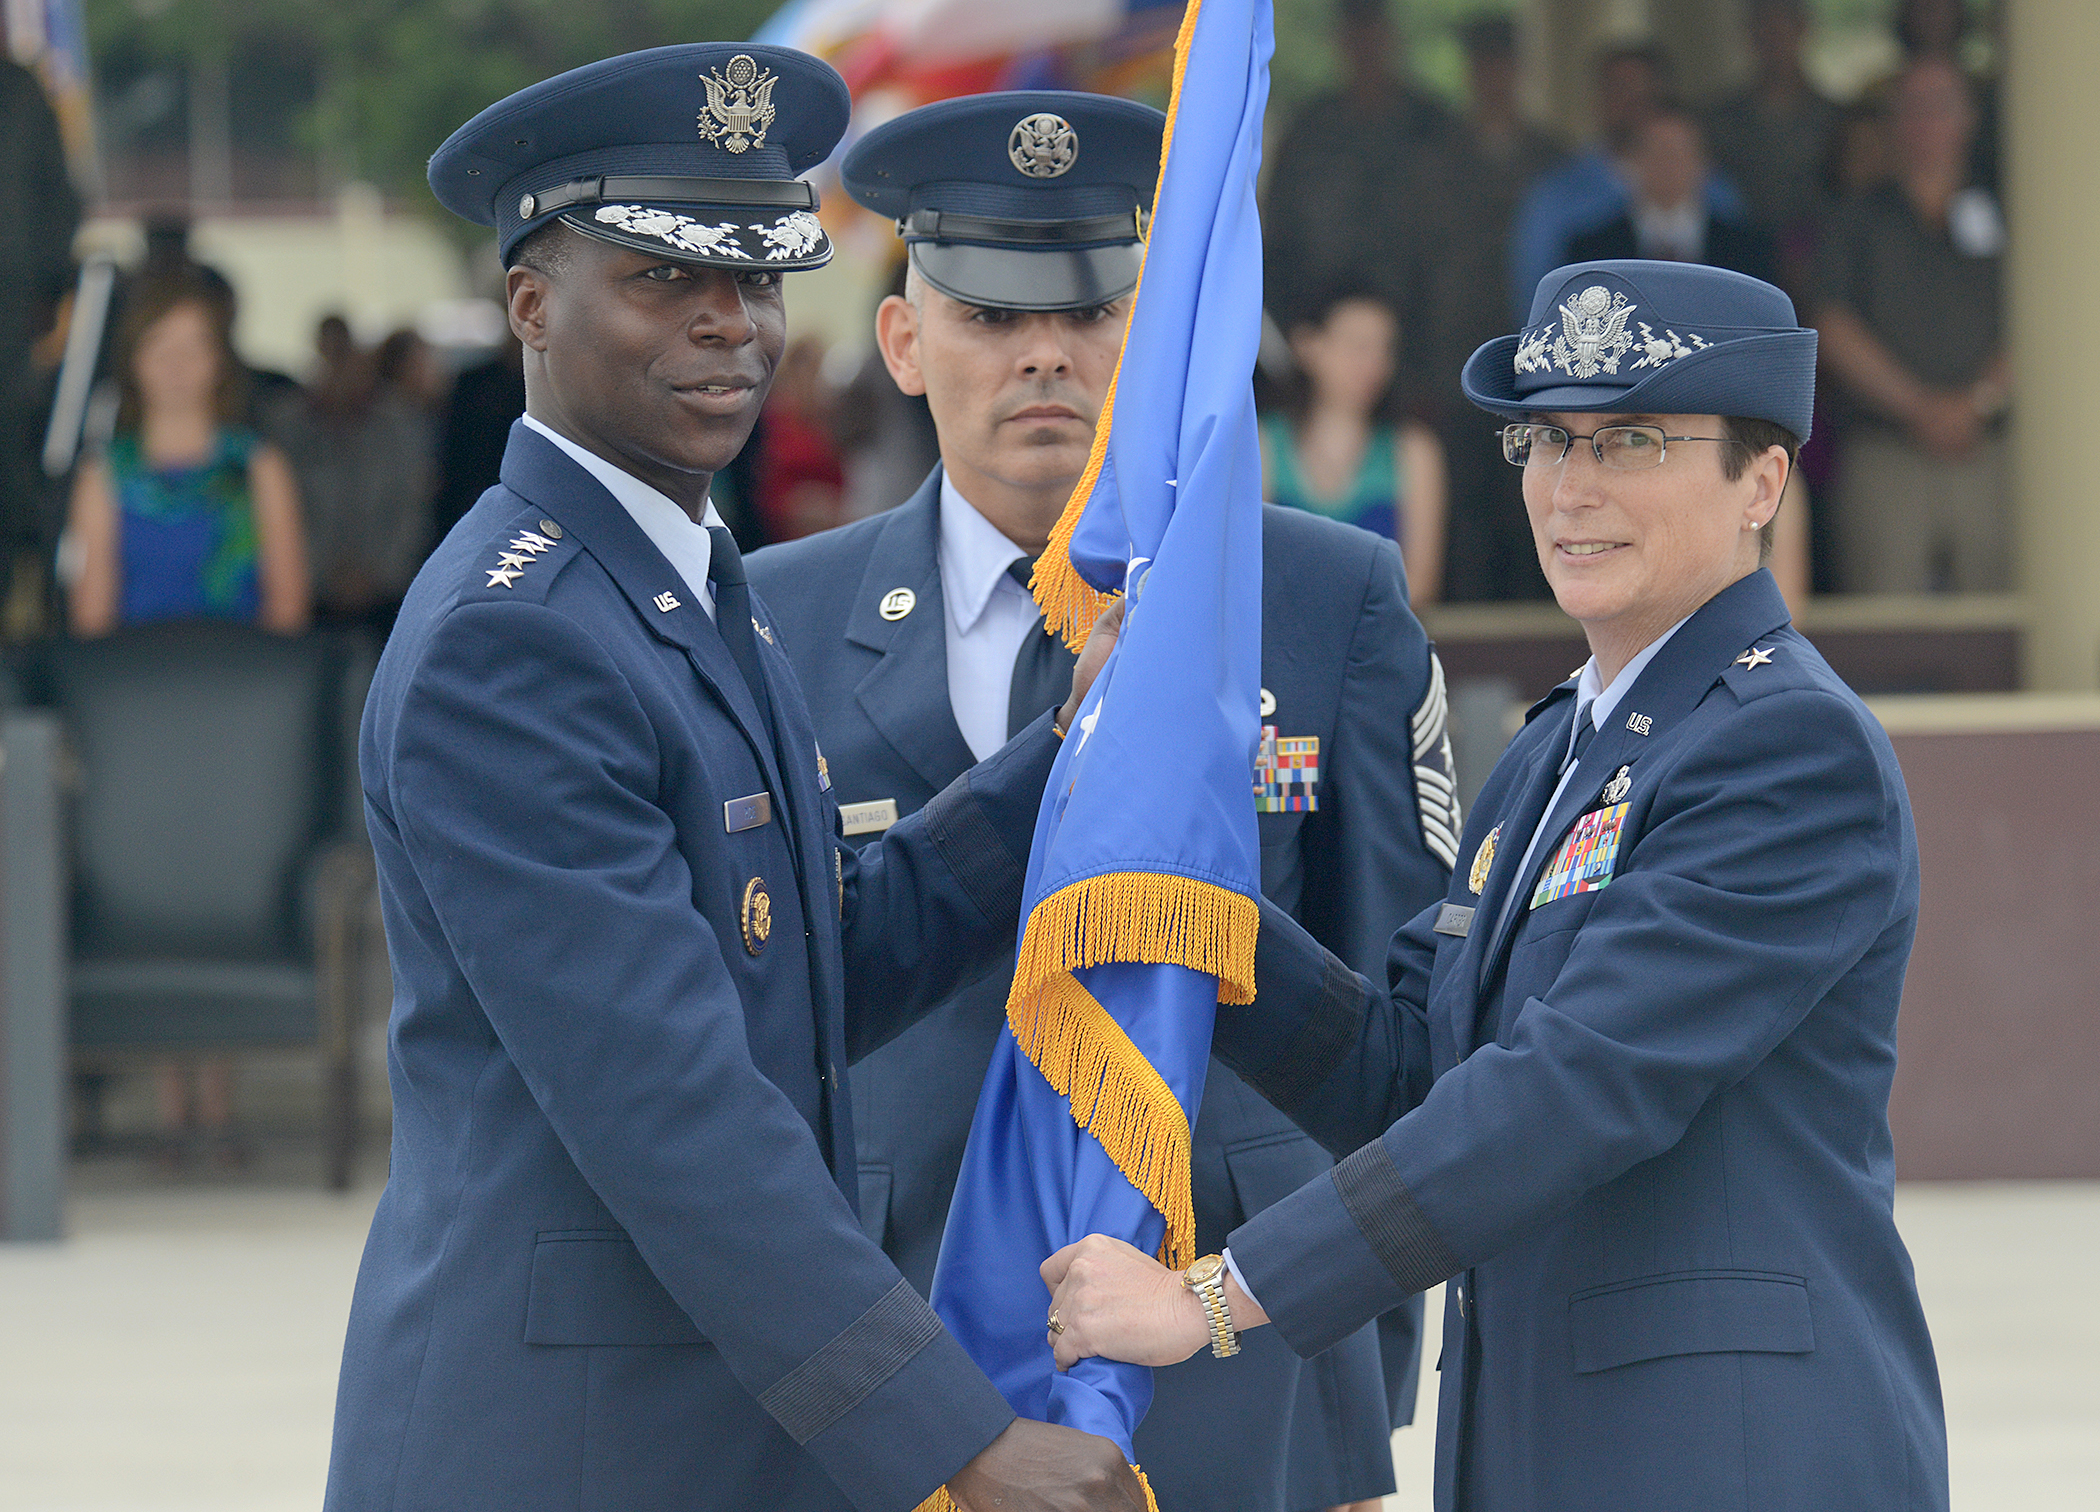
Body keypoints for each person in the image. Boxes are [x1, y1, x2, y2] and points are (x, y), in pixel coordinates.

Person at [330, 45, 1142, 1512]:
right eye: (662, 280)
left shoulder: (688, 577)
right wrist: (959, 1437)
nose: (731, 326)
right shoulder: (514, 640)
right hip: (567, 1446)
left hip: (708, 1428)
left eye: (758, 280)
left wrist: (1074, 754)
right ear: (530, 302)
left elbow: (818, 964)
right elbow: (674, 1108)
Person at [1042, 260, 1949, 1512]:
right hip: (1549, 1447)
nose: (1572, 488)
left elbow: (1571, 1091)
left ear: (1763, 482)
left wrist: (1216, 1297)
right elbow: (1416, 1063)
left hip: (1733, 1456)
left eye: (1633, 439)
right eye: (1546, 439)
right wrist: (1182, 902)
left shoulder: (1786, 746)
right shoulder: (1558, 749)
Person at [749, 91, 1459, 1512]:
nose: (1046, 360)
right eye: (990, 319)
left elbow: (1403, 1050)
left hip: (1236, 1362)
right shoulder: (774, 622)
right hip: (898, 1343)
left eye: (1091, 316)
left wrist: (1358, 1405)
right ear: (903, 342)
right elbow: (757, 1032)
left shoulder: (1322, 599)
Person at [1814, 58, 2006, 593]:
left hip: (1987, 450)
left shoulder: (2010, 210)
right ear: (1892, 121)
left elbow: (2039, 320)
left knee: (1996, 631)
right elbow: (1832, 325)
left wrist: (1977, 402)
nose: (1926, 121)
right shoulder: (1853, 217)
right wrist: (1922, 409)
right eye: (1912, 107)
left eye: (1941, 105)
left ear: (1969, 116)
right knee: (1888, 633)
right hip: (1885, 455)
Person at [64, 273, 309, 636]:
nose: (176, 363)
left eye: (194, 345)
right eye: (158, 344)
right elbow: (92, 619)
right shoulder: (103, 474)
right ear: (133, 359)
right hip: (131, 680)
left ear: (219, 360)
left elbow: (289, 612)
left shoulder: (260, 467)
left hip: (243, 678)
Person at [1414, 16, 1561, 604]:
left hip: (1540, 368)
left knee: (1542, 505)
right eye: (1483, 63)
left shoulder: (1551, 157)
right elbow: (1412, 271)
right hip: (1453, 366)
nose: (1493, 75)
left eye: (1503, 62)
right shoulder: (1433, 160)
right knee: (1465, 523)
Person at [1507, 44, 1745, 321]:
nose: (1631, 102)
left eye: (1642, 91)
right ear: (1597, 98)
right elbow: (1536, 302)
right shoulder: (1554, 197)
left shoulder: (1716, 192)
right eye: (1617, 89)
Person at [1262, 0, 1453, 330]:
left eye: (1373, 35)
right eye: (1356, 36)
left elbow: (1458, 233)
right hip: (1322, 320)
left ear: (1390, 40)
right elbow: (1279, 233)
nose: (1366, 48)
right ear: (1341, 44)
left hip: (1418, 322)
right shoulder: (1308, 130)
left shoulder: (1433, 126)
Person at [1261, 285, 1446, 605]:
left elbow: (1421, 584)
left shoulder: (1414, 450)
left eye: (1383, 349)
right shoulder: (1262, 444)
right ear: (1308, 345)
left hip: (1375, 645)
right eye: (1357, 346)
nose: (1373, 364)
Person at [276, 317, 434, 632]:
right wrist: (321, 576)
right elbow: (282, 515)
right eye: (330, 355)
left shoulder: (401, 426)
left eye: (345, 354)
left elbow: (410, 508)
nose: (338, 367)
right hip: (310, 596)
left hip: (388, 595)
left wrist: (378, 575)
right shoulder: (285, 427)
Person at [1701, 0, 1841, 297]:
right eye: (1764, 28)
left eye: (1782, 27)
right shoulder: (1717, 121)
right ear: (1749, 36)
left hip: (1825, 270)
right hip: (1736, 269)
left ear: (1803, 30)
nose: (1774, 39)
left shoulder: (1837, 120)